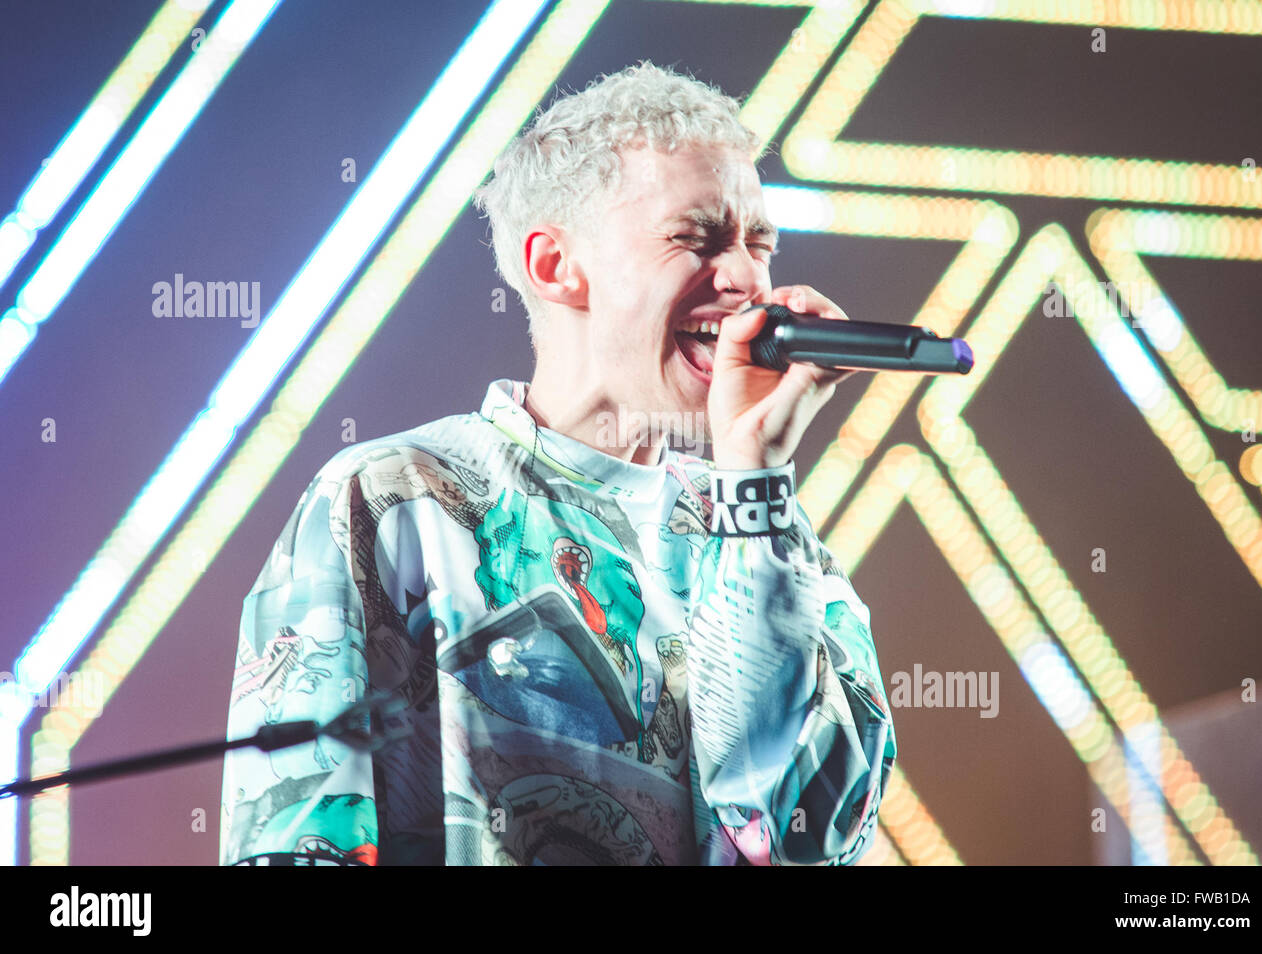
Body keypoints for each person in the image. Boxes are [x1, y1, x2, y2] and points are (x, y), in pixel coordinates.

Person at [218, 60, 896, 866]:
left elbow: (803, 836)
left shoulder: (775, 534)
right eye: (696, 237)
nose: (749, 278)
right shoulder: (397, 501)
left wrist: (754, 480)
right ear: (554, 266)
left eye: (760, 244)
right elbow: (298, 839)